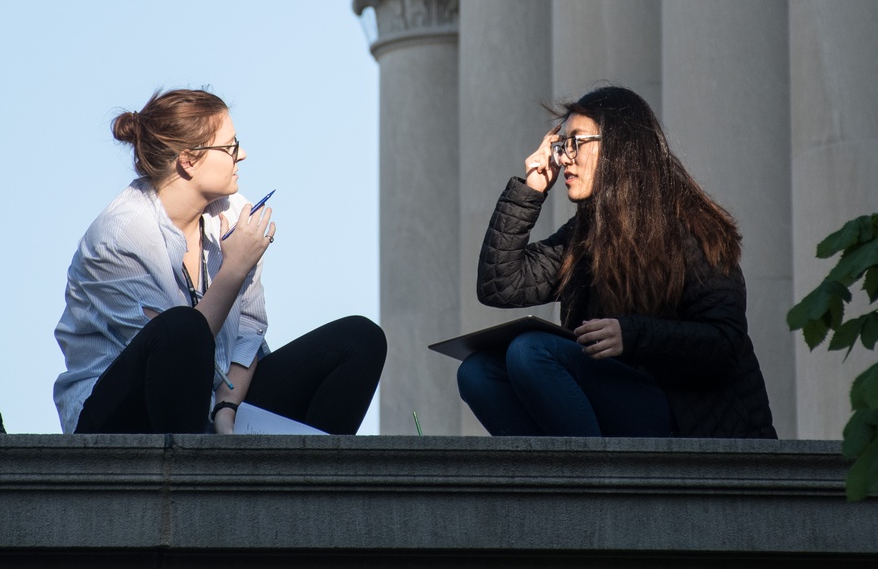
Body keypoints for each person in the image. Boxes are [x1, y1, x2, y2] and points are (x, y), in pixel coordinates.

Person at [53, 88, 385, 435]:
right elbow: (172, 355)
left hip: (217, 404)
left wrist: (226, 411)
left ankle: (310, 484)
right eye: (230, 147)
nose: (242, 155)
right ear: (188, 161)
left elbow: (249, 332)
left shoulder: (233, 213)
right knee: (181, 326)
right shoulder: (119, 238)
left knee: (360, 340)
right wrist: (235, 269)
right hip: (121, 417)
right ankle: (196, 480)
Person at [458, 85, 777, 439]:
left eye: (575, 142)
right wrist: (530, 190)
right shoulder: (585, 234)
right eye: (561, 145)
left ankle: (592, 487)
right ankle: (552, 484)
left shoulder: (691, 227)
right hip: (617, 401)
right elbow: (501, 285)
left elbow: (723, 341)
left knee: (531, 352)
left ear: (619, 147)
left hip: (691, 416)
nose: (563, 157)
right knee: (477, 372)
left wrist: (632, 336)